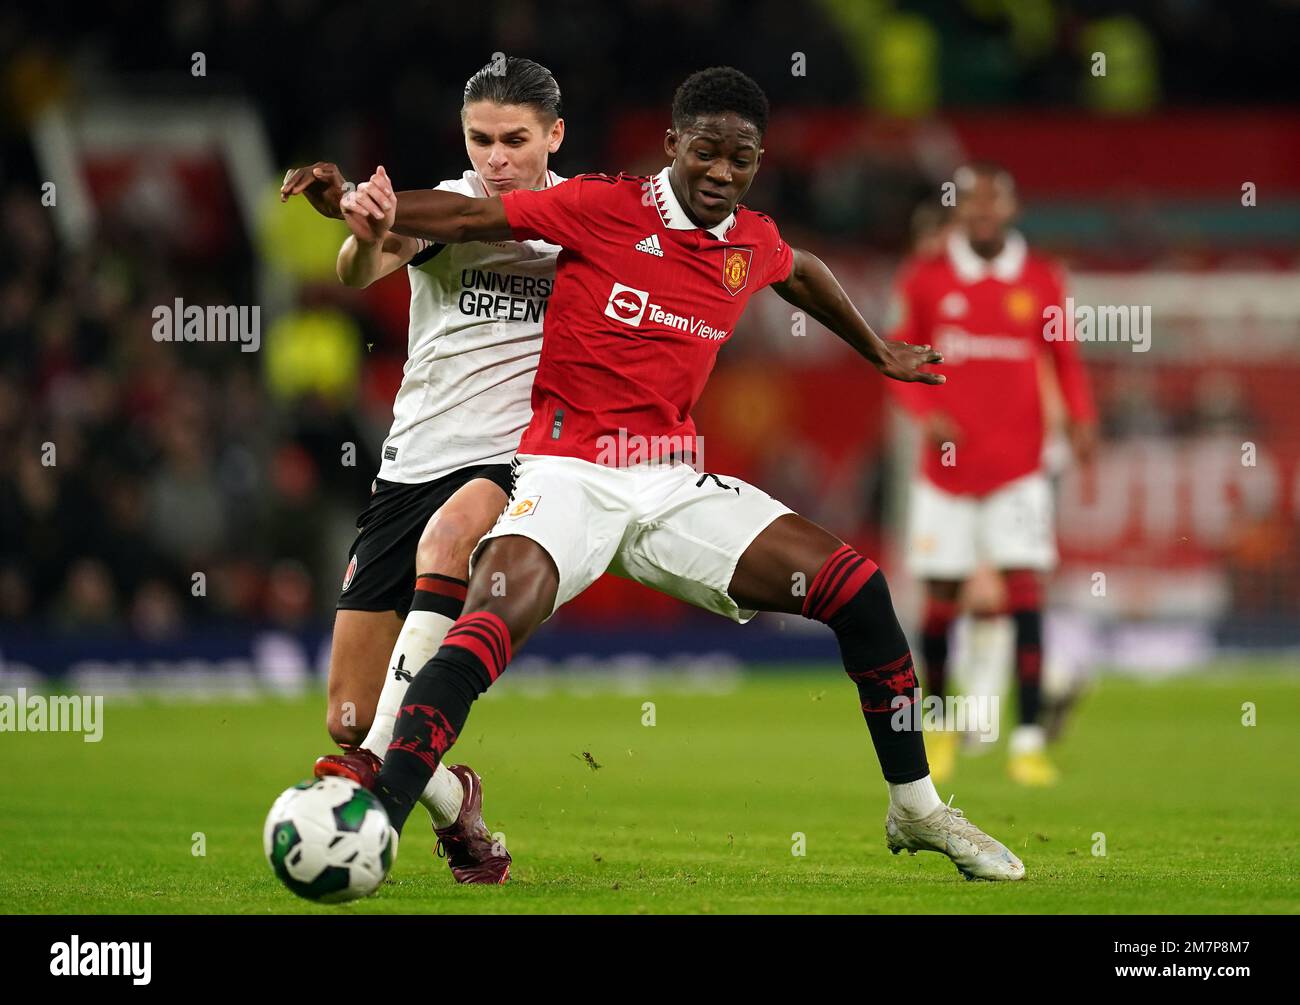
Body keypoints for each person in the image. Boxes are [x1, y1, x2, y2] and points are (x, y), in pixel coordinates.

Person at [343, 66, 1024, 883]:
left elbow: (799, 269)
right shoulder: (601, 206)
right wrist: (362, 204)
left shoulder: (748, 243)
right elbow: (466, 214)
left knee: (861, 591)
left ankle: (916, 807)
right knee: (486, 628)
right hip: (566, 474)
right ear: (673, 146)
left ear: (757, 161)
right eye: (706, 154)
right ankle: (378, 822)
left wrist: (877, 351)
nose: (722, 174)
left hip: (668, 480)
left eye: (741, 160)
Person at [279, 57, 569, 883]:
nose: (497, 157)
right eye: (482, 138)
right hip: (413, 461)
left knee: (450, 542)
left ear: (555, 134)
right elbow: (360, 265)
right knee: (347, 711)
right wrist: (365, 230)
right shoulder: (446, 206)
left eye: (516, 139)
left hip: (512, 458)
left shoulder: (582, 216)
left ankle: (375, 771)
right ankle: (453, 798)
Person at [888, 163, 1097, 786]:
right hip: (945, 471)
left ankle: (1028, 742)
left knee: (1024, 593)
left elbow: (1065, 358)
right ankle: (944, 729)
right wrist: (927, 414)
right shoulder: (926, 278)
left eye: (992, 203)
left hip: (1019, 467)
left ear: (1011, 208)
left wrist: (1082, 421)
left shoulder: (1040, 279)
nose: (981, 213)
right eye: (971, 203)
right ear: (959, 210)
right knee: (942, 601)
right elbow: (899, 357)